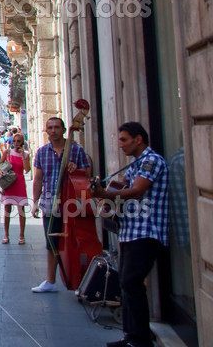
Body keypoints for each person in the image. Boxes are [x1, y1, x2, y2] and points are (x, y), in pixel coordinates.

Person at [92, 122, 168, 347]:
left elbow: (136, 191)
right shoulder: (136, 164)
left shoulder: (151, 161)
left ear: (139, 139)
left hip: (146, 232)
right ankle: (131, 336)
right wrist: (106, 200)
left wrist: (106, 193)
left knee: (130, 283)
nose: (121, 144)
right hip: (131, 232)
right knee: (127, 284)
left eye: (124, 139)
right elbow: (122, 191)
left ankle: (140, 340)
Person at [30, 116, 92, 292]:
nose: (53, 130)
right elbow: (38, 179)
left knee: (77, 242)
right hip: (50, 202)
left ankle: (80, 279)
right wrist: (35, 202)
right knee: (51, 242)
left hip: (73, 203)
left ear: (64, 130)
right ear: (46, 131)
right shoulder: (42, 152)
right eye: (50, 127)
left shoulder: (76, 150)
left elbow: (87, 174)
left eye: (57, 127)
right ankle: (50, 280)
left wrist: (76, 167)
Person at [0, 133, 31, 244]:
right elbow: (0, 166)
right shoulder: (7, 152)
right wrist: (1, 175)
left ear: (22, 142)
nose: (16, 143)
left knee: (21, 210)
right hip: (9, 183)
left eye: (18, 141)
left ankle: (22, 235)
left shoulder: (26, 155)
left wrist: (23, 156)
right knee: (7, 209)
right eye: (14, 141)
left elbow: (27, 169)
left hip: (20, 183)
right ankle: (6, 235)